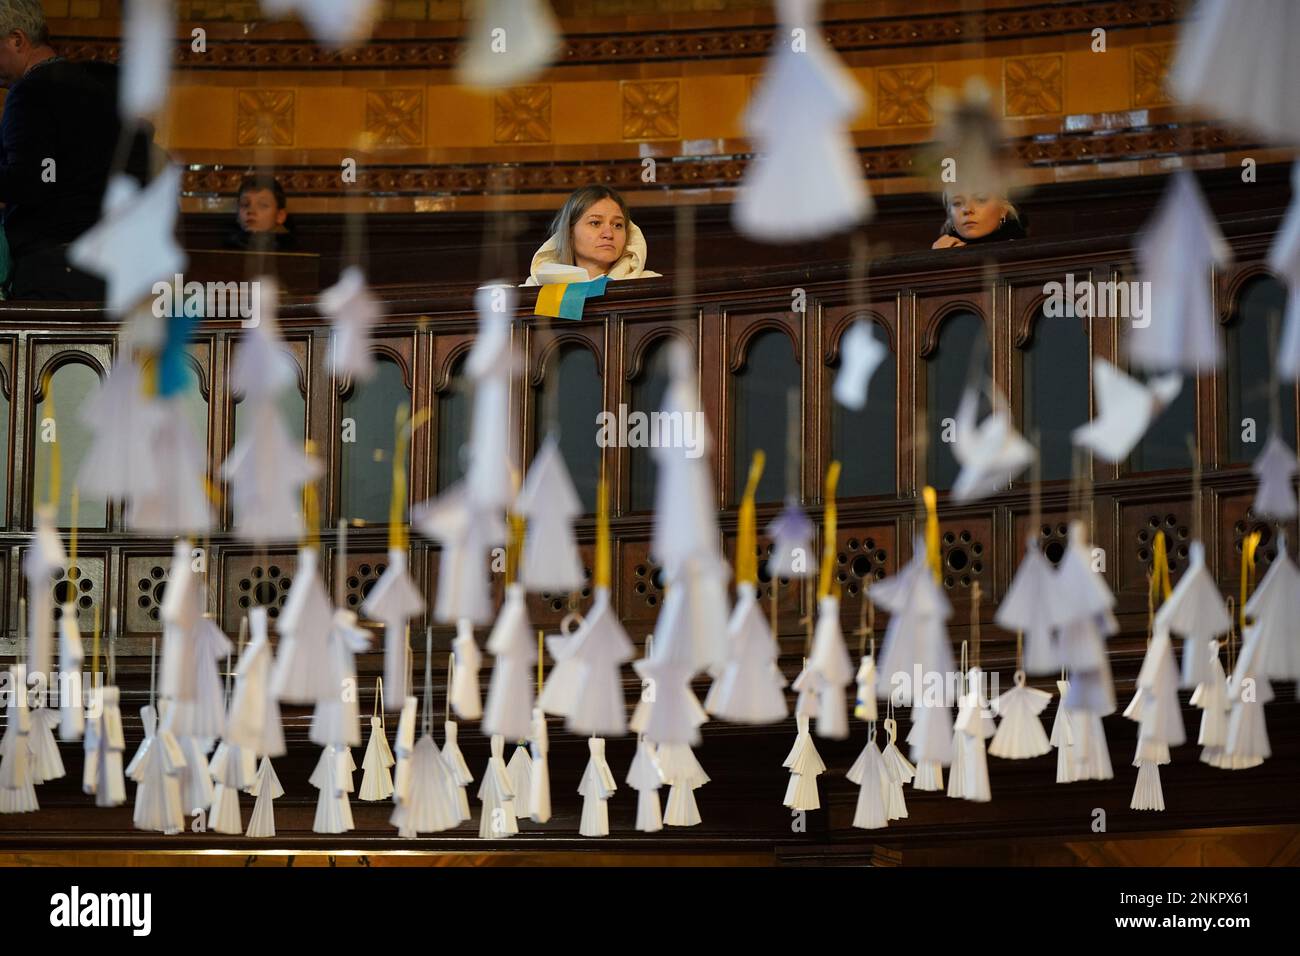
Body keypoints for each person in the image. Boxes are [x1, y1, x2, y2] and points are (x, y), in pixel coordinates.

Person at [0, 0, 150, 300]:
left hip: (55, 272)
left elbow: (33, 183)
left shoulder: (30, 92)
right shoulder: (103, 87)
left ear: (17, 40)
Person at [523, 185, 661, 286]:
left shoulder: (650, 284)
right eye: (595, 223)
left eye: (618, 225)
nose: (608, 234)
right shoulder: (535, 289)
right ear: (570, 232)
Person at [224, 173, 297, 252]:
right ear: (237, 216)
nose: (251, 211)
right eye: (245, 205)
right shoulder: (229, 248)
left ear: (279, 216)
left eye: (262, 205)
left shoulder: (290, 250)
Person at [931, 191, 1026, 249]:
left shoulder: (1022, 250)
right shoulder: (943, 248)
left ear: (1003, 210)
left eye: (981, 199)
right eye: (957, 203)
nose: (967, 209)